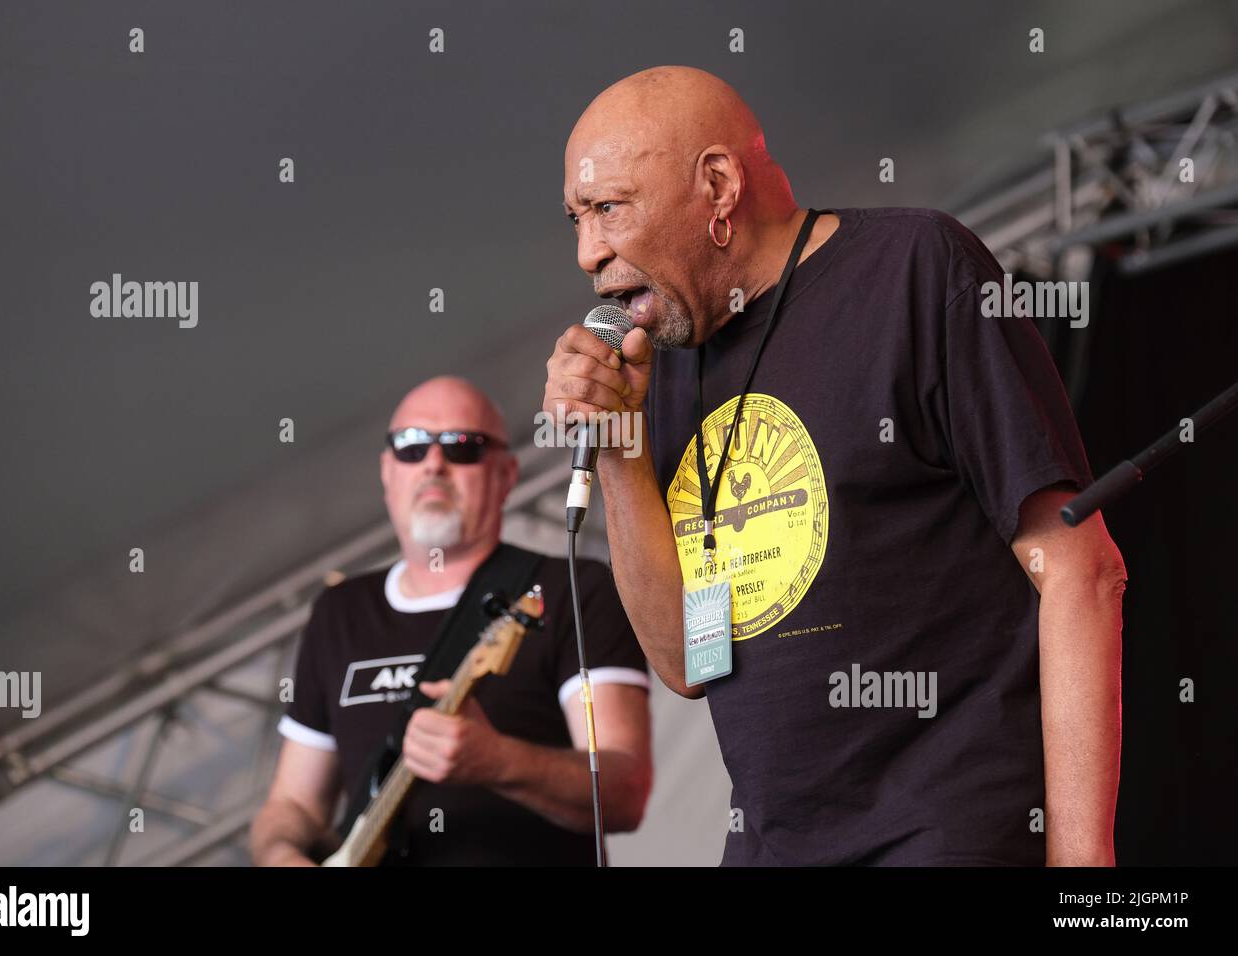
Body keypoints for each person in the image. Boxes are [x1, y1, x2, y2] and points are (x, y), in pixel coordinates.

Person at [543, 65, 1126, 866]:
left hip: (947, 834)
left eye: (609, 209)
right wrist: (617, 446)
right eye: (576, 218)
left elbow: (1080, 572)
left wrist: (1084, 875)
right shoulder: (668, 360)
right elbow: (682, 661)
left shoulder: (914, 268)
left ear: (716, 186)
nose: (588, 251)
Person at [251, 376, 652, 866]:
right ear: (386, 471)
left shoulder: (570, 587)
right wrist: (280, 854)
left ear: (506, 475)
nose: (434, 464)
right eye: (411, 446)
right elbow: (292, 803)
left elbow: (625, 789)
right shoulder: (339, 612)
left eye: (464, 447)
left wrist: (500, 762)